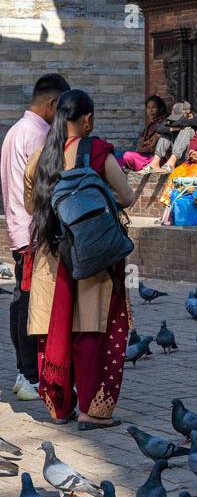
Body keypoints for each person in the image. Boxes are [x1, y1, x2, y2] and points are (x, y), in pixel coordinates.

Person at [25, 88, 134, 428]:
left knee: (55, 329)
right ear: (87, 119)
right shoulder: (98, 152)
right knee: (92, 330)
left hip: (52, 254)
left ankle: (59, 407)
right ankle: (93, 410)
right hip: (93, 253)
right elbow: (127, 196)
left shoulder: (42, 155)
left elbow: (31, 205)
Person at [0, 72, 70, 401]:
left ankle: (23, 371)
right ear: (53, 104)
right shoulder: (39, 135)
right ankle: (29, 373)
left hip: (19, 226)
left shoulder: (17, 131)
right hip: (33, 229)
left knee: (21, 300)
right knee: (31, 304)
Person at [151, 101, 197, 174]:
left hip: (190, 157)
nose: (176, 121)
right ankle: (155, 162)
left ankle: (171, 163)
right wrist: (173, 129)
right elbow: (159, 128)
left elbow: (190, 122)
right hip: (176, 156)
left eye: (178, 118)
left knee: (187, 129)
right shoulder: (173, 120)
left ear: (189, 114)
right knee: (166, 133)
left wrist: (179, 123)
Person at [121, 95, 168, 171]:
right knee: (127, 156)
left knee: (128, 156)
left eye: (154, 108)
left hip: (156, 159)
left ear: (160, 109)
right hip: (146, 157)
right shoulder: (151, 124)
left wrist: (143, 149)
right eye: (148, 108)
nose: (150, 110)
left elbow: (153, 146)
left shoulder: (163, 124)